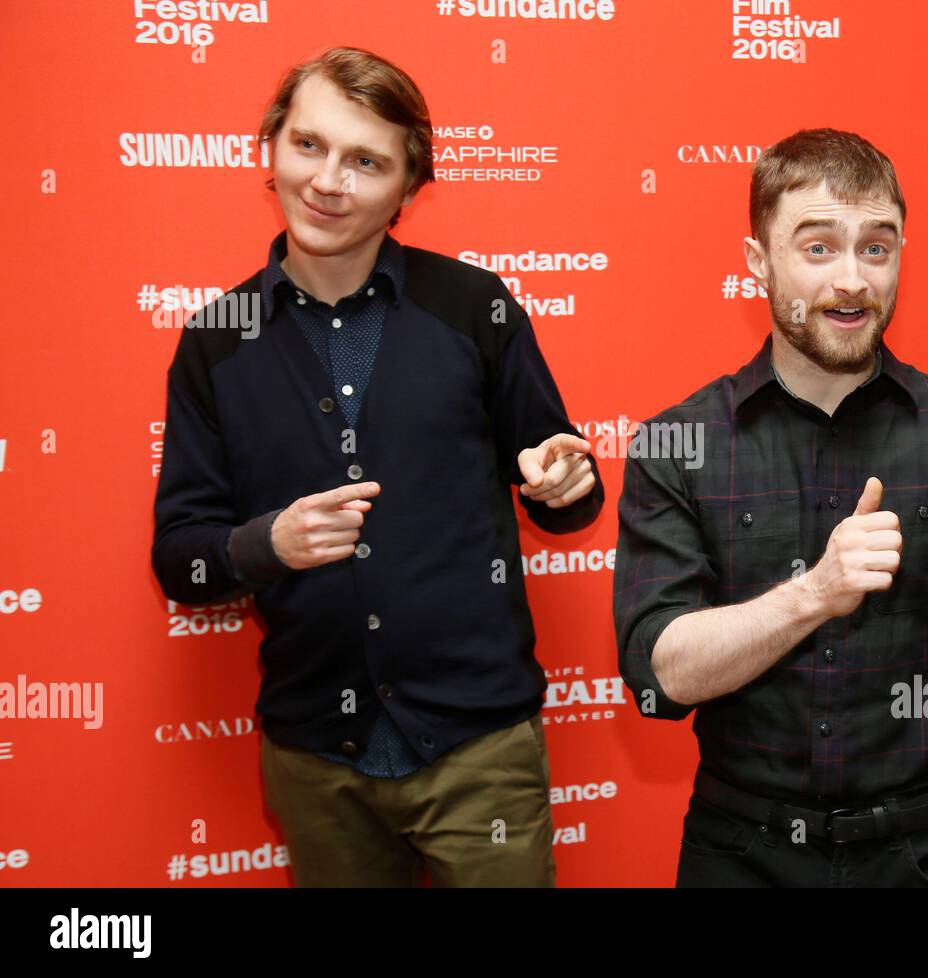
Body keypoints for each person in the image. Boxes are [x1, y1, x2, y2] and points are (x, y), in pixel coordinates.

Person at [152, 47, 602, 887]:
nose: (329, 181)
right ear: (270, 149)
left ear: (407, 188)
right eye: (310, 146)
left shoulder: (477, 307)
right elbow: (180, 559)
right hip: (316, 760)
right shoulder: (215, 341)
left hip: (481, 754)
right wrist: (268, 544)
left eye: (366, 161)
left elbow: (564, 493)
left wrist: (567, 482)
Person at [614, 128, 928, 888]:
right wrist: (814, 595)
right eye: (817, 248)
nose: (852, 280)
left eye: (877, 247)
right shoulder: (679, 444)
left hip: (918, 853)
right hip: (741, 854)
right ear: (757, 262)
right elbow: (658, 674)